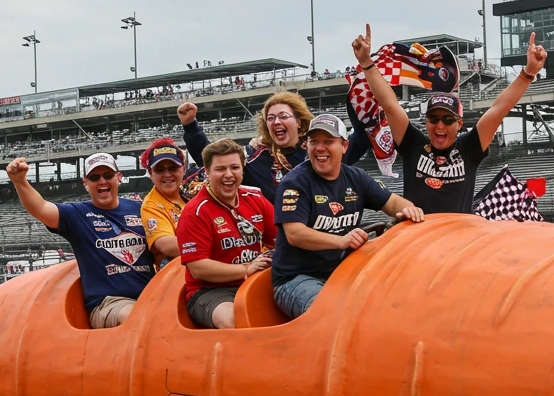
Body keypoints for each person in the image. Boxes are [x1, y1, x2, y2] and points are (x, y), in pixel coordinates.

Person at [351, 23, 549, 214]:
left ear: (459, 123)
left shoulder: (470, 148)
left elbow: (499, 109)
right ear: (426, 122)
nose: (439, 125)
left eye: (447, 119)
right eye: (433, 118)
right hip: (416, 242)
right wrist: (367, 62)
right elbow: (389, 104)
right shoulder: (413, 144)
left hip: (458, 243)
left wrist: (528, 73)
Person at [272, 114, 424, 319]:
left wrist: (409, 209)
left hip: (342, 271)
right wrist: (342, 241)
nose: (320, 148)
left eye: (328, 141)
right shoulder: (295, 182)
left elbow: (393, 202)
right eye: (314, 141)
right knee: (334, 314)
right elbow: (295, 234)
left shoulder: (356, 177)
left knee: (396, 298)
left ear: (344, 146)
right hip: (296, 278)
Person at [7, 153, 153, 328]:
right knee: (139, 317)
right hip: (109, 304)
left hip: (151, 296)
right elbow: (41, 208)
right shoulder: (77, 214)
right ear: (86, 183)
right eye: (94, 177)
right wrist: (20, 181)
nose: (102, 181)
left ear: (119, 177)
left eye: (108, 175)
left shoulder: (140, 208)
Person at [177, 93, 369, 204]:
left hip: (332, 230)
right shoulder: (256, 157)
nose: (277, 121)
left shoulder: (321, 151)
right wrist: (191, 125)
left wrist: (359, 94)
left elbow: (360, 139)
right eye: (271, 118)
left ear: (299, 121)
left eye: (283, 116)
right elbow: (213, 160)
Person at [176, 138, 276, 329]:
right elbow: (198, 267)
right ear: (207, 171)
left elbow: (280, 241)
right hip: (210, 291)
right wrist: (246, 269)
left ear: (243, 169)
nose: (228, 175)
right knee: (234, 320)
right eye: (220, 169)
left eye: (234, 168)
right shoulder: (195, 211)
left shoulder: (255, 197)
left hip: (255, 281)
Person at [138, 137, 190, 266]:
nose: (167, 174)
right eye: (159, 170)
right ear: (150, 173)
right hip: (176, 278)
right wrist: (213, 246)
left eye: (173, 168)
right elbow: (166, 245)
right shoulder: (151, 205)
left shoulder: (191, 197)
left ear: (183, 170)